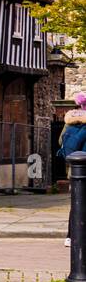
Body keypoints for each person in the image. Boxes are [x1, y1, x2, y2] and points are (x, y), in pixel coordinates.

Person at [59, 92, 86, 246]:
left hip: (74, 170)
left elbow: (60, 141)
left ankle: (70, 236)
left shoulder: (70, 121)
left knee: (76, 203)